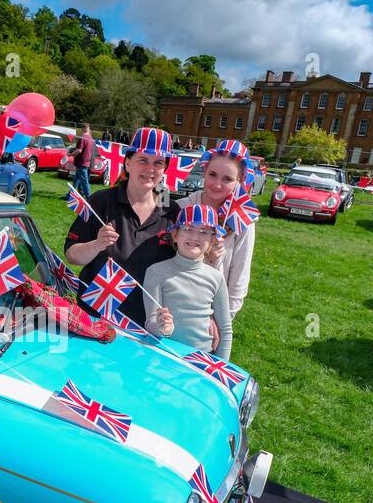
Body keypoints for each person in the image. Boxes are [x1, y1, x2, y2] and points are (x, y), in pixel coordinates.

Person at [64, 126, 180, 325]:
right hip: (95, 316)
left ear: (165, 169)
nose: (150, 169)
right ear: (128, 163)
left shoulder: (172, 211)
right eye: (143, 160)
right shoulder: (101, 202)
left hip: (145, 323)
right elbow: (71, 255)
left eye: (158, 163)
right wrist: (97, 244)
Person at [178, 139, 257, 357]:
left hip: (213, 323)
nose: (217, 184)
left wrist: (220, 321)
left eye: (228, 179)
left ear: (241, 180)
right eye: (212, 175)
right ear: (204, 170)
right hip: (176, 310)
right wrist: (205, 259)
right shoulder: (181, 209)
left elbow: (239, 281)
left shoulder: (242, 222)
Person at [143, 204, 232, 359]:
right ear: (175, 235)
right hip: (165, 354)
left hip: (204, 358)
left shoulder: (216, 278)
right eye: (188, 229)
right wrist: (162, 328)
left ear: (212, 240)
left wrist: (221, 368)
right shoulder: (155, 272)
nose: (195, 237)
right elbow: (150, 321)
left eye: (204, 231)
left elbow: (225, 329)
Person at [71, 123, 95, 196]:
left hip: (82, 163)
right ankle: (69, 195)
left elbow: (79, 150)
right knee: (75, 181)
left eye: (82, 129)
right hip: (85, 162)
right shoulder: (91, 139)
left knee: (85, 182)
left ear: (83, 129)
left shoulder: (83, 138)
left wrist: (71, 154)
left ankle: (89, 198)